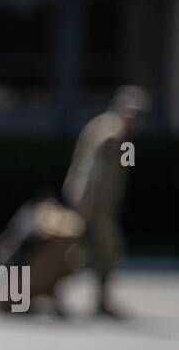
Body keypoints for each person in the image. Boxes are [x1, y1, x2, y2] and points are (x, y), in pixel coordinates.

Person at [62, 85, 150, 318]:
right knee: (106, 250)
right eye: (135, 113)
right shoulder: (113, 132)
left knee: (91, 252)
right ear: (123, 109)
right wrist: (88, 208)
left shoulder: (111, 129)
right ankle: (98, 300)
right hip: (94, 206)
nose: (138, 119)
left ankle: (98, 299)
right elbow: (95, 173)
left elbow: (125, 166)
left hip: (94, 204)